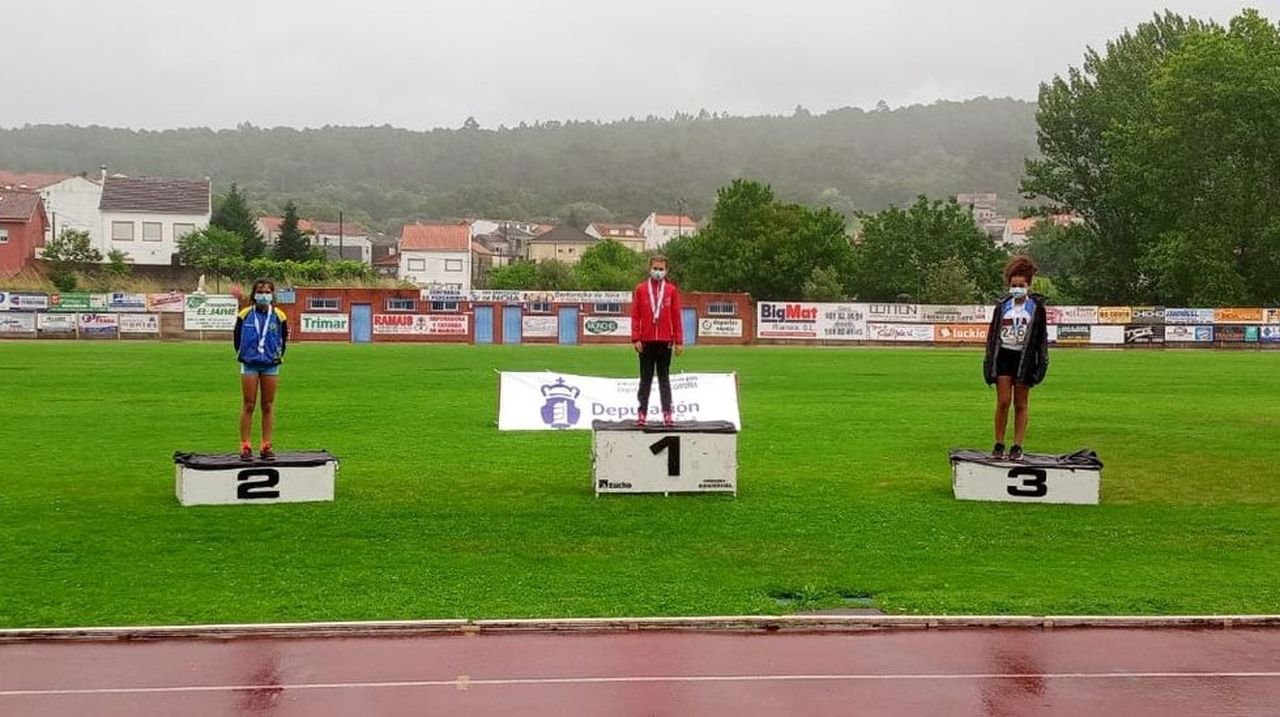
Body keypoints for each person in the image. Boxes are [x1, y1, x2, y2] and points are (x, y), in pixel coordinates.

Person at [983, 255, 1049, 461]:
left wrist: (1041, 363)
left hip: (1024, 359)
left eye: (1021, 285)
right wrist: (989, 361)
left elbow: (1041, 339)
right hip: (1004, 356)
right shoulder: (1002, 306)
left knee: (1021, 404)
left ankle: (1017, 446)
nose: (1017, 288)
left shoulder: (1036, 308)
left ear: (1028, 285)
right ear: (1009, 285)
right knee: (1003, 402)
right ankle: (999, 443)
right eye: (1013, 285)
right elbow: (993, 335)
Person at [233, 279, 289, 460]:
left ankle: (266, 445)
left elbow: (283, 340)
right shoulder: (245, 314)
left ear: (272, 295)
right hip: (250, 364)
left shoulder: (280, 316)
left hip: (270, 365)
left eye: (267, 292)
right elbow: (236, 339)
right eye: (260, 291)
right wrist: (247, 355)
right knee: (248, 404)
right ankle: (245, 446)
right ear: (254, 294)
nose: (264, 295)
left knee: (267, 406)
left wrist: (274, 355)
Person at [631, 255, 684, 427]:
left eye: (661, 269)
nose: (658, 272)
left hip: (665, 341)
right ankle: (642, 413)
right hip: (646, 341)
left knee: (664, 379)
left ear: (666, 270)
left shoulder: (671, 290)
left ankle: (667, 414)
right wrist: (635, 338)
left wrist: (679, 341)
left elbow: (676, 317)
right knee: (645, 379)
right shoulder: (640, 289)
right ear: (649, 269)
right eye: (655, 268)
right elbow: (635, 315)